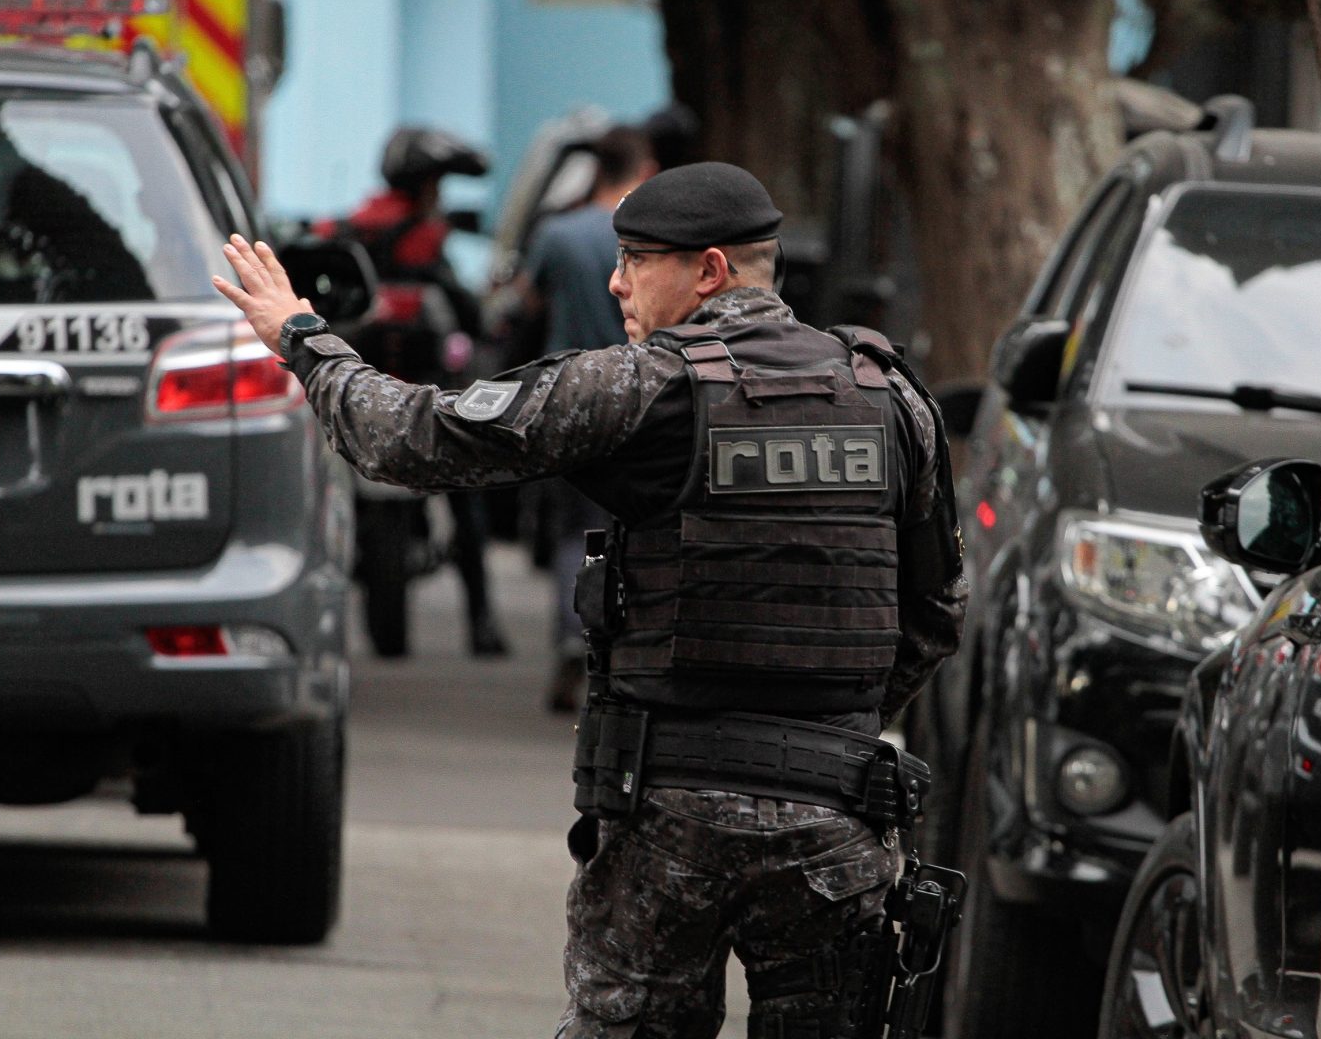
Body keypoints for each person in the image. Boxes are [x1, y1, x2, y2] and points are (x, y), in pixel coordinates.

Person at [212, 161, 967, 1039]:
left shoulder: (642, 386)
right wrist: (828, 730)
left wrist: (304, 337)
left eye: (636, 259)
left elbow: (411, 437)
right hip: (840, 826)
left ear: (710, 271)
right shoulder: (892, 398)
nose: (614, 280)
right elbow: (937, 610)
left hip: (669, 825)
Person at [316, 126, 509, 657]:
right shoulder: (425, 236)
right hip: (433, 394)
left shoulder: (349, 228)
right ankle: (483, 623)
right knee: (470, 493)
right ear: (426, 184)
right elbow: (471, 317)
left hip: (360, 389)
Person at [519, 125, 658, 712]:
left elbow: (526, 301)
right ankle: (625, 653)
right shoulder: (651, 238)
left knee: (575, 532)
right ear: (644, 169)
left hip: (568, 401)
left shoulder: (557, 232)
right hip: (643, 399)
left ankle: (571, 637)